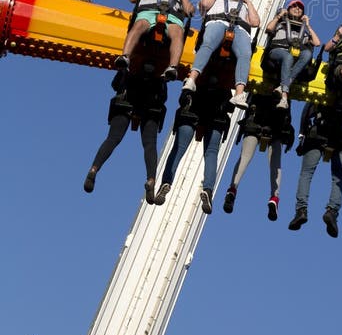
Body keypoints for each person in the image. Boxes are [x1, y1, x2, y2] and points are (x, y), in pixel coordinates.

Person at [83, 69, 168, 204]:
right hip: (151, 106)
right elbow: (163, 96)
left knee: (112, 139)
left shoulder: (132, 62)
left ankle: (94, 168)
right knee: (150, 144)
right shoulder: (161, 67)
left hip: (126, 102)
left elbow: (115, 85)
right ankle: (151, 179)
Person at [154, 74, 233, 213]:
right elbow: (231, 105)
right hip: (216, 116)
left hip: (192, 111)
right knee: (211, 153)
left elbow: (183, 97)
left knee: (178, 149)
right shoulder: (225, 78)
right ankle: (208, 189)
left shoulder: (196, 71)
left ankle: (166, 182)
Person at [181, 0, 260, 108]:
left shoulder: (244, 6)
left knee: (245, 54)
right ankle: (191, 79)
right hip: (218, 21)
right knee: (208, 44)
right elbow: (203, 5)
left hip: (240, 29)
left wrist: (248, 1)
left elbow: (255, 22)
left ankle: (239, 94)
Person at [287, 103, 342, 238]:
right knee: (339, 177)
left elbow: (306, 113)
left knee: (306, 174)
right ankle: (332, 211)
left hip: (318, 134)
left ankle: (301, 210)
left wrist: (302, 135)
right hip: (340, 138)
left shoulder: (320, 95)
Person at [221, 94, 295, 221]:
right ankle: (274, 197)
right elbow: (288, 113)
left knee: (244, 158)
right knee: (275, 164)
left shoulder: (259, 85)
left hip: (255, 123)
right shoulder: (284, 88)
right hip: (276, 126)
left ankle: (232, 189)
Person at [114, 0, 195, 81]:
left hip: (172, 17)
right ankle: (125, 57)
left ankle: (172, 67)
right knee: (139, 24)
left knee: (178, 32)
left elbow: (190, 12)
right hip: (148, 12)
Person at [264, 0, 320, 109]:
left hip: (295, 55)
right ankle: (284, 97)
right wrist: (279, 16)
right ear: (288, 9)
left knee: (307, 54)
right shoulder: (281, 23)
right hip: (278, 51)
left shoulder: (303, 30)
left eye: (300, 8)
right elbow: (269, 28)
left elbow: (317, 43)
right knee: (287, 56)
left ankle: (283, 86)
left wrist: (307, 25)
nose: (297, 8)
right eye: (294, 6)